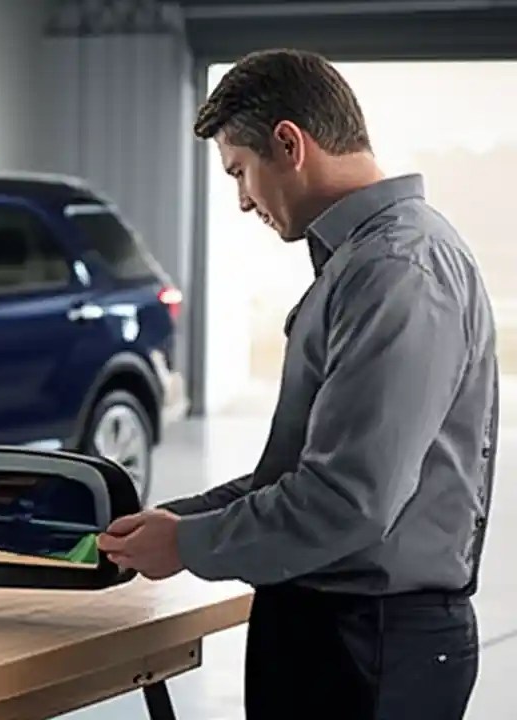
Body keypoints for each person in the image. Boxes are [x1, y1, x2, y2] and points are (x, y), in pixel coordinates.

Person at [96, 48, 499, 720]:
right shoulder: (365, 262)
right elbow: (298, 475)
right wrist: (176, 522)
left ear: (289, 143)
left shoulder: (398, 269)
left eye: (241, 172)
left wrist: (188, 545)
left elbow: (347, 501)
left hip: (370, 649)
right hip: (337, 633)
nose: (243, 199)